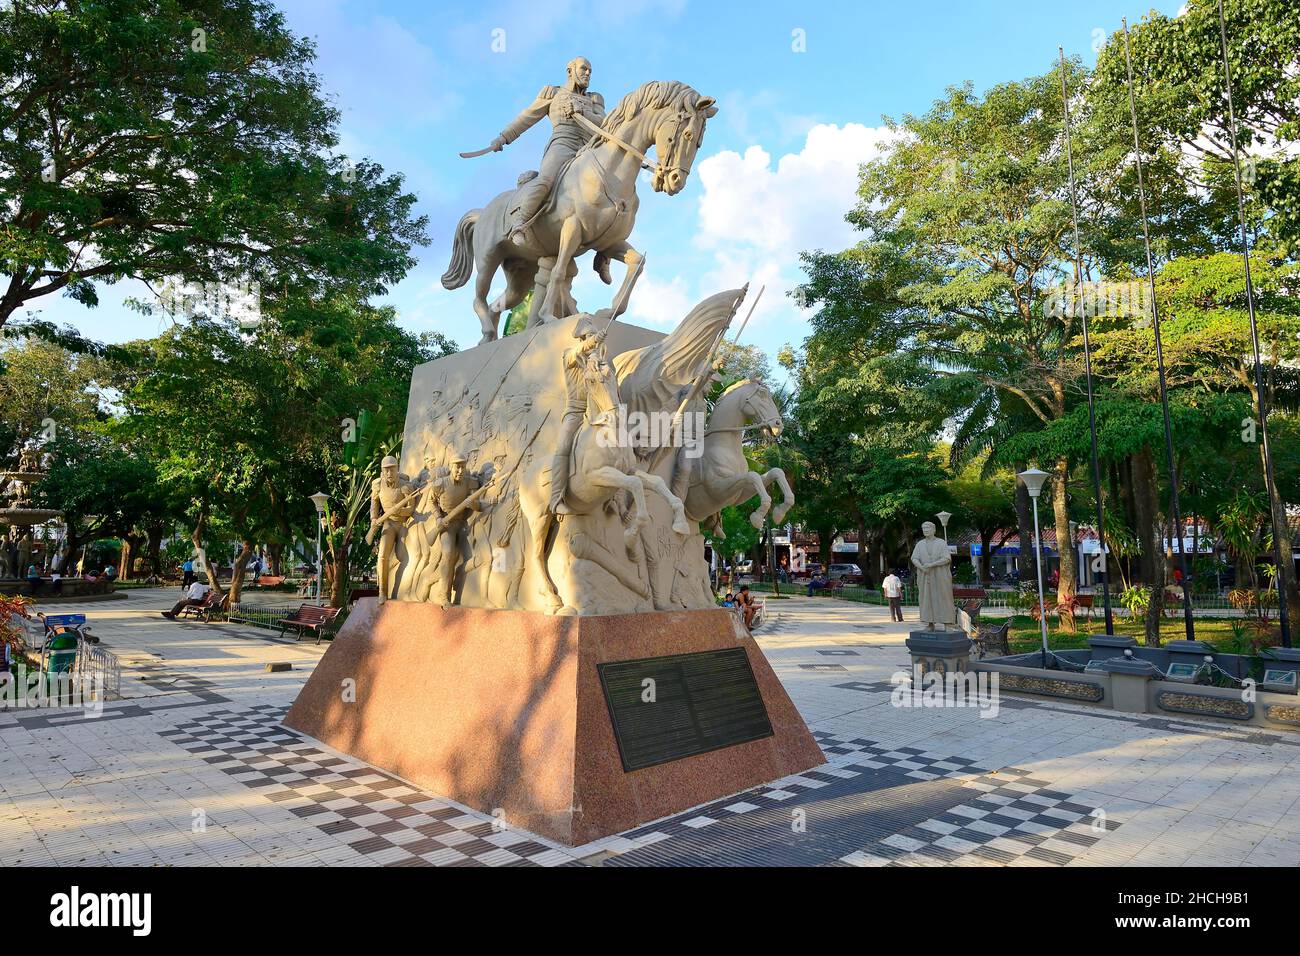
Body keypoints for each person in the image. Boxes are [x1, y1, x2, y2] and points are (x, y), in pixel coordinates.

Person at [491, 56, 606, 245]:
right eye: (584, 69)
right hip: (563, 144)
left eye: (590, 71)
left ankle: (606, 246)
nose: (587, 74)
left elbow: (604, 125)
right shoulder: (553, 93)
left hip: (589, 149)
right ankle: (519, 223)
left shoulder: (595, 99)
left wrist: (583, 111)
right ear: (570, 71)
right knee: (546, 179)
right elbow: (527, 117)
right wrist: (504, 137)